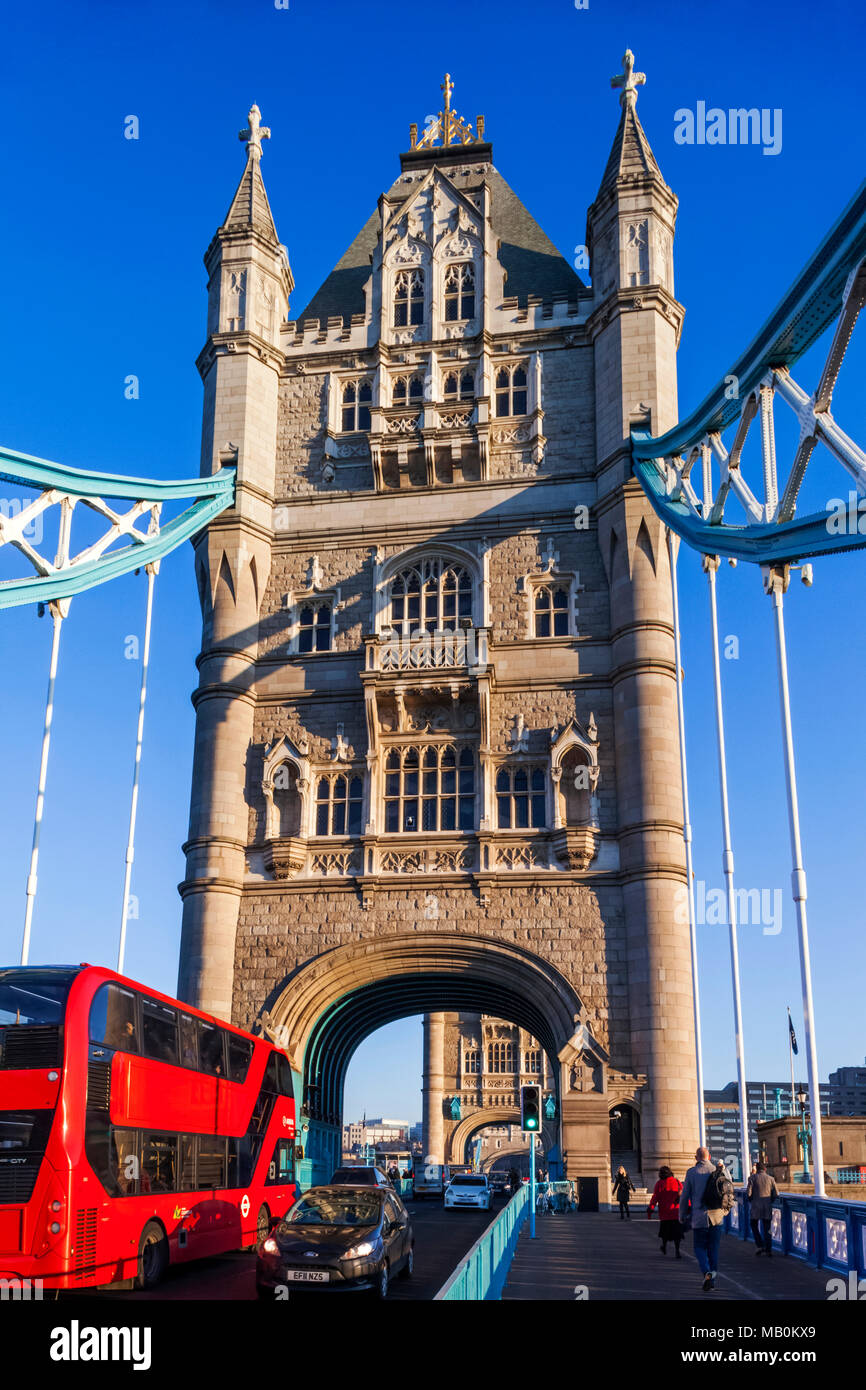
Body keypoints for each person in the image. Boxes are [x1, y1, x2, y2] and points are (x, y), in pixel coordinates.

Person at [680, 1147, 733, 1291]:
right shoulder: (719, 1171)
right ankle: (712, 1281)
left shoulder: (691, 1173)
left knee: (699, 1247)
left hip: (700, 1218)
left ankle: (706, 1272)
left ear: (696, 1157)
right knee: (713, 1249)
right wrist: (725, 1211)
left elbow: (684, 1197)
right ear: (709, 1156)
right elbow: (728, 1191)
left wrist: (682, 1215)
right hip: (717, 1217)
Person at [647, 1165, 683, 1256]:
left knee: (664, 1233)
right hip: (676, 1212)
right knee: (677, 1234)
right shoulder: (677, 1182)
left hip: (664, 1213)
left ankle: (664, 1246)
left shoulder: (659, 1184)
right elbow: (684, 1194)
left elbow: (655, 1197)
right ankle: (677, 1251)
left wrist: (651, 1207)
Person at [746, 1161, 778, 1256]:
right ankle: (768, 1249)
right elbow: (776, 1193)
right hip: (767, 1206)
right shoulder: (771, 1179)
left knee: (753, 1225)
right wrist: (770, 1201)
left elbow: (748, 1193)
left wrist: (752, 1200)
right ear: (765, 1169)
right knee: (767, 1228)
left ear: (757, 1169)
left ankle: (760, 1245)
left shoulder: (752, 1178)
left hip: (755, 1207)